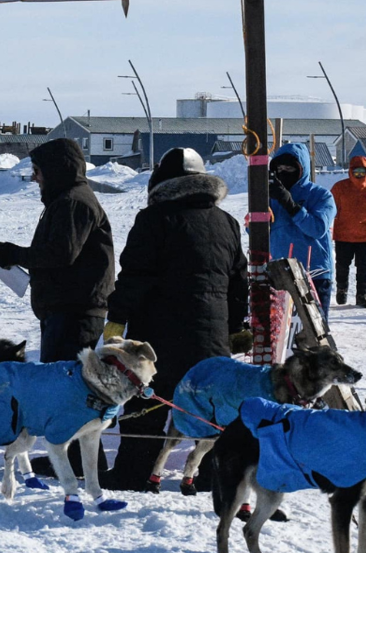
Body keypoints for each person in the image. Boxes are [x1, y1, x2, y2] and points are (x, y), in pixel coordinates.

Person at [101, 148, 250, 492]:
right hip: (211, 339)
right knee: (208, 409)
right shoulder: (226, 222)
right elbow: (239, 283)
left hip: (159, 336)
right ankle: (214, 476)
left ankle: (134, 473)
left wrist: (116, 320)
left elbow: (134, 276)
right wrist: (233, 329)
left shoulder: (154, 219)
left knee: (148, 401)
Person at [0, 138, 115, 479]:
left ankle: (82, 463)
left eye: (38, 170)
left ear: (56, 170)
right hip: (68, 308)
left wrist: (17, 255)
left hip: (76, 311)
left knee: (71, 389)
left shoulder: (73, 202)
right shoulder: (67, 201)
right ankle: (73, 459)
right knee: (67, 389)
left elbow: (61, 254)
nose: (34, 178)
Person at [268, 142, 337, 320]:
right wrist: (256, 221)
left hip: (313, 273)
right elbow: (257, 233)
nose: (283, 172)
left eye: (289, 168)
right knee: (280, 329)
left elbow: (317, 228)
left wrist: (291, 205)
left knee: (313, 329)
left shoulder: (321, 195)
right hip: (280, 271)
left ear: (301, 169)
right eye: (279, 168)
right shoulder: (271, 197)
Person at [331, 155, 366, 308]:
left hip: (364, 237)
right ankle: (341, 290)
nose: (359, 175)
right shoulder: (339, 188)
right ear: (350, 171)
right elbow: (330, 208)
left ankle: (362, 295)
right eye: (356, 171)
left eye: (362, 171)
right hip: (343, 236)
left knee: (363, 268)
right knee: (342, 266)